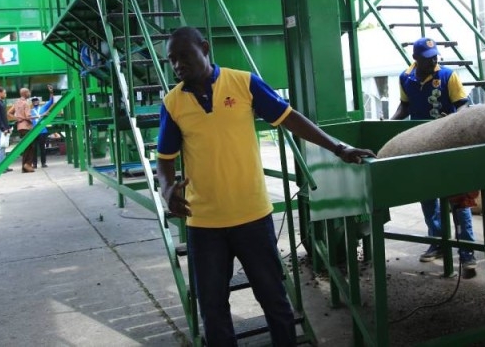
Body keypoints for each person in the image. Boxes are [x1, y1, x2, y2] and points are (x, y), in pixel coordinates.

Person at [157, 26, 375, 346]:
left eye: (184, 56)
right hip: (204, 224)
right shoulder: (172, 103)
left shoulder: (243, 83)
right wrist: (166, 189)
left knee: (274, 299)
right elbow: (165, 158)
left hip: (252, 217)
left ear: (204, 48)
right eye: (172, 60)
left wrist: (338, 147)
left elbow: (290, 117)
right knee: (212, 310)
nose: (177, 65)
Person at [390, 37, 477, 271]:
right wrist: (389, 124)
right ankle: (437, 242)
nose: (433, 61)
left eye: (435, 57)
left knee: (459, 198)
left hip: (448, 143)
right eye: (428, 59)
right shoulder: (405, 78)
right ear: (415, 58)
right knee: (427, 196)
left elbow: (463, 104)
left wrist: (454, 118)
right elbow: (405, 106)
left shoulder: (448, 76)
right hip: (422, 144)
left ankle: (467, 251)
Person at [9, 87, 35, 173]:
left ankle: (25, 167)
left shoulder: (17, 102)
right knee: (31, 147)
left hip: (20, 127)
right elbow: (28, 117)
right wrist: (39, 116)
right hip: (27, 127)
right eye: (28, 92)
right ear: (25, 93)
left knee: (26, 146)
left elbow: (9, 113)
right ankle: (27, 164)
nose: (30, 93)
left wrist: (17, 119)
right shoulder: (26, 103)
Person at [30, 85, 56, 168]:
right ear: (32, 102)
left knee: (42, 148)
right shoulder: (30, 111)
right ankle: (34, 164)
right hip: (34, 132)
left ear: (38, 101)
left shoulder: (43, 107)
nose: (35, 101)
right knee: (34, 149)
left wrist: (51, 92)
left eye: (36, 100)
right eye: (33, 101)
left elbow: (51, 101)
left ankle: (43, 163)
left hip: (42, 131)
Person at [0, 87, 13, 172]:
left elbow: (4, 118)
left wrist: (8, 128)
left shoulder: (0, 103)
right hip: (0, 129)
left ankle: (4, 166)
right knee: (1, 148)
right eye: (4, 93)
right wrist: (3, 128)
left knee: (3, 147)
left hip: (3, 129)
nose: (5, 94)